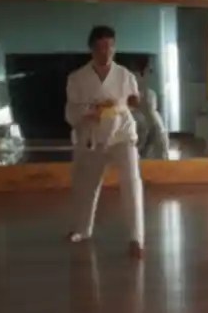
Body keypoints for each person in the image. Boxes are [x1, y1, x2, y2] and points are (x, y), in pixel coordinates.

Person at [64, 26, 145, 259]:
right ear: (92, 49)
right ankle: (82, 229)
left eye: (110, 46)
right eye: (101, 47)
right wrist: (90, 112)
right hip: (92, 135)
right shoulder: (77, 78)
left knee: (131, 183)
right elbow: (71, 110)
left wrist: (132, 102)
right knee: (86, 184)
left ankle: (136, 238)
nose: (106, 52)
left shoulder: (125, 75)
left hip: (122, 135)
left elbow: (132, 102)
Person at [131, 61, 169, 160]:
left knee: (158, 153)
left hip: (154, 127)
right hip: (146, 126)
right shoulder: (139, 92)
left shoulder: (149, 93)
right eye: (149, 70)